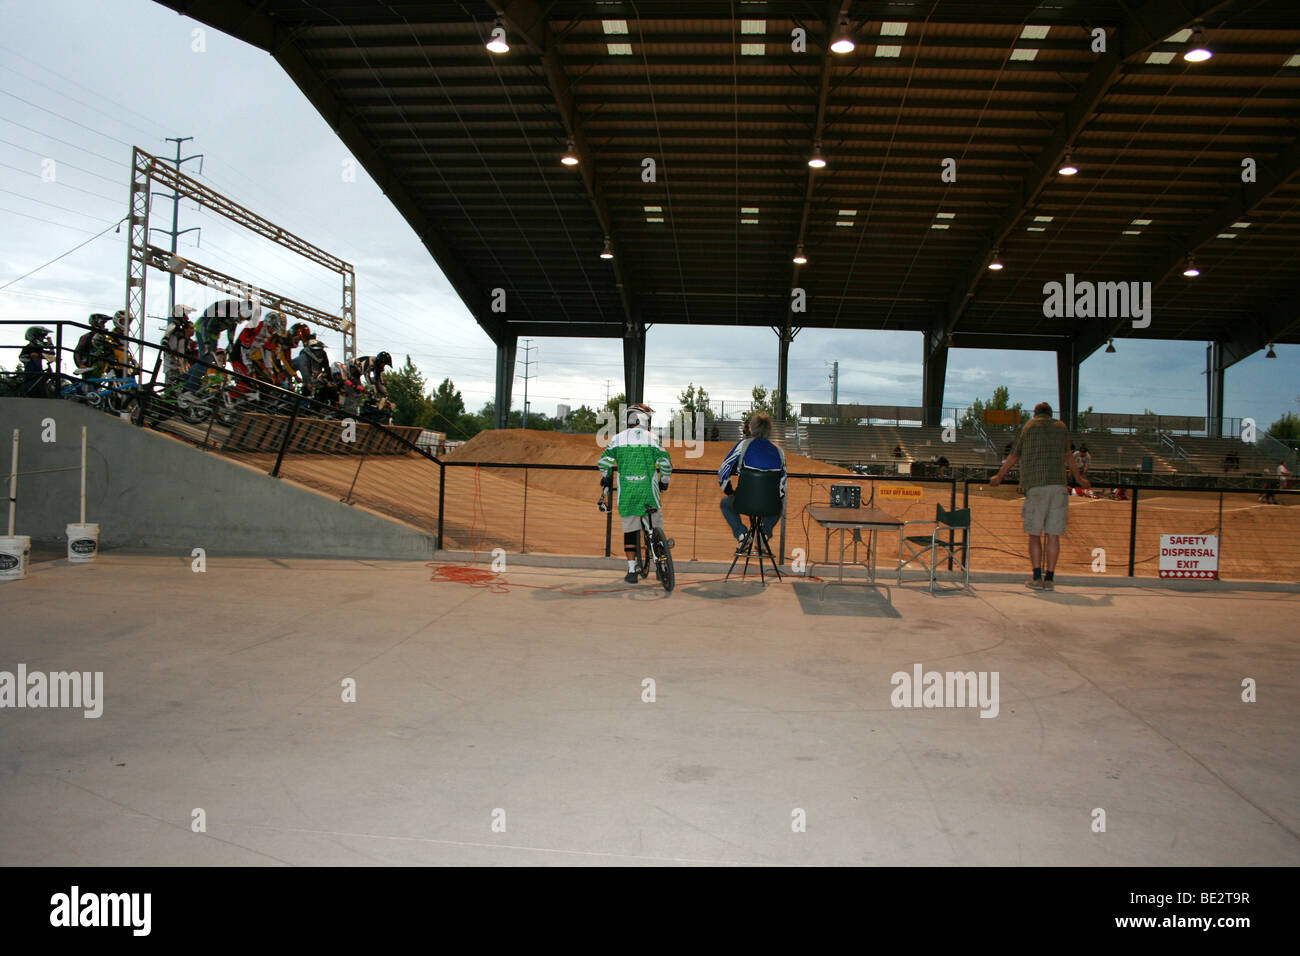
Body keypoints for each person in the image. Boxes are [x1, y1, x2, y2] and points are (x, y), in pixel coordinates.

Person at [989, 401, 1090, 591]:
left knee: (1034, 535)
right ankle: (1050, 579)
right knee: (1053, 536)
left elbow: (1014, 455)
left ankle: (1036, 577)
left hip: (1036, 486)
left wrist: (999, 476)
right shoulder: (1061, 428)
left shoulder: (1029, 427)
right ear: (1050, 414)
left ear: (1035, 414)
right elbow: (1069, 456)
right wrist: (1080, 478)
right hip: (1059, 487)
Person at [597, 403, 672, 584]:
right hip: (648, 491)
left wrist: (606, 477)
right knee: (654, 525)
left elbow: (603, 463)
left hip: (628, 491)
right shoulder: (653, 438)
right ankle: (660, 550)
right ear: (644, 419)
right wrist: (664, 482)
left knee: (630, 530)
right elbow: (665, 464)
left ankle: (632, 570)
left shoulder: (618, 439)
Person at [718, 412, 787, 555]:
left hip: (744, 502)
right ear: (769, 430)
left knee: (725, 503)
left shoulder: (743, 445)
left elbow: (723, 469)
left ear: (751, 428)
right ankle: (764, 535)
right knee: (780, 505)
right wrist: (775, 498)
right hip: (769, 506)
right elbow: (782, 486)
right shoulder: (779, 452)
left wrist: (728, 490)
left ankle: (742, 535)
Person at [185, 298, 259, 393]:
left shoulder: (236, 314)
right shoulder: (226, 309)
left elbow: (232, 327)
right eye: (244, 317)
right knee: (206, 361)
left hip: (213, 335)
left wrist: (231, 343)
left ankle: (182, 378)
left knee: (207, 361)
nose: (243, 320)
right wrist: (206, 342)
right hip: (203, 330)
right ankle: (189, 389)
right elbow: (206, 325)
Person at [162, 304, 196, 390]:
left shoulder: (180, 330)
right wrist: (171, 354)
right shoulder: (173, 326)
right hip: (172, 365)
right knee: (174, 389)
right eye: (185, 315)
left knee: (180, 388)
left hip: (180, 365)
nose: (187, 318)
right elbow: (164, 340)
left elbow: (183, 349)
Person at [18, 326, 56, 397]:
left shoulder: (39, 348)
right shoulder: (30, 347)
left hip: (38, 369)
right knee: (32, 385)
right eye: (42, 336)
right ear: (34, 337)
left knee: (40, 384)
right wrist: (39, 356)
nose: (44, 338)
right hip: (31, 370)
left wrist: (50, 344)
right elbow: (29, 356)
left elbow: (52, 354)